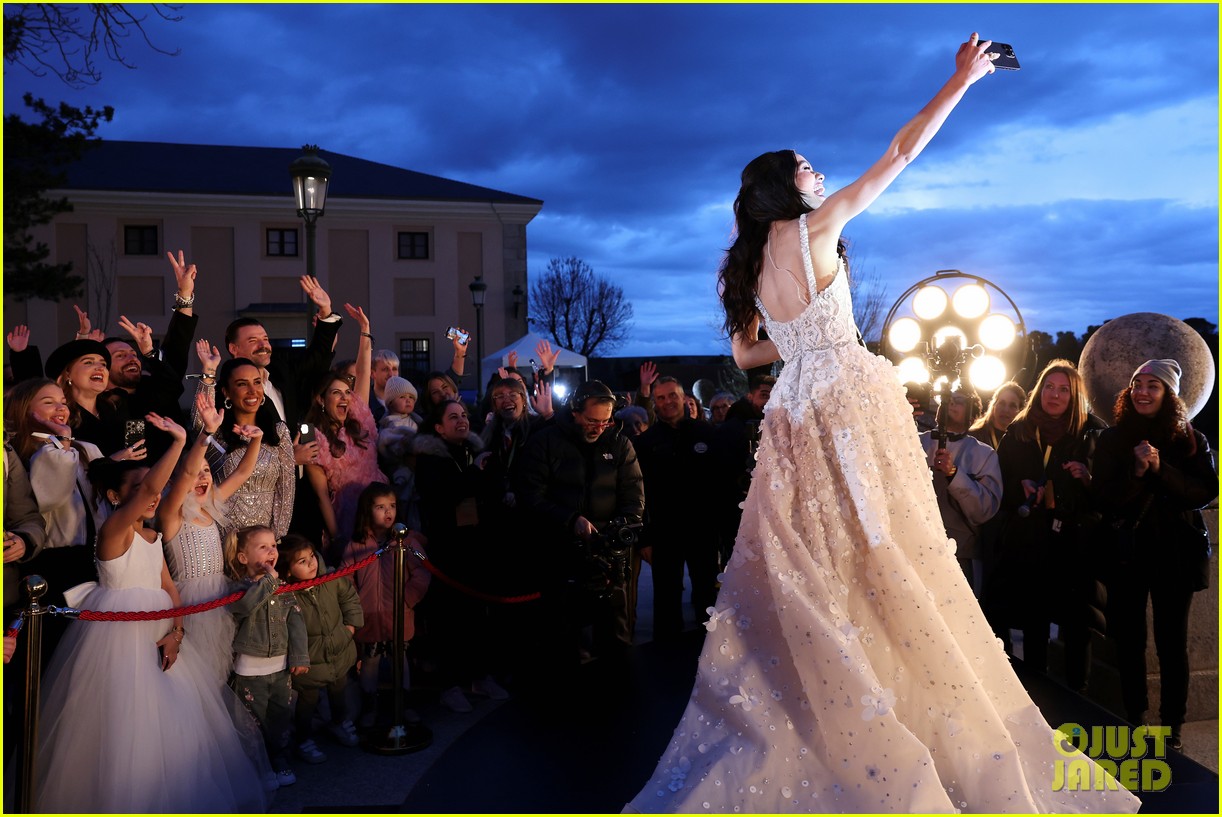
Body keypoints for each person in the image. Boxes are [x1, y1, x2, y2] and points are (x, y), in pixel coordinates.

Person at [627, 35, 1137, 813]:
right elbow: (899, 152)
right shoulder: (812, 230)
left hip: (796, 403)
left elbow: (745, 348)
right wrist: (961, 79)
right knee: (884, 547)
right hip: (845, 397)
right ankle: (896, 702)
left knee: (815, 561)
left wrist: (798, 341)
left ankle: (835, 696)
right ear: (784, 186)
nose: (816, 171)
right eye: (804, 165)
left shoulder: (745, 262)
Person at [35, 415, 266, 812]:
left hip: (159, 629)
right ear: (113, 496)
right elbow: (158, 489)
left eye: (149, 487)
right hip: (117, 636)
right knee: (126, 721)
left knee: (174, 721)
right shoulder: (113, 532)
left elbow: (170, 588)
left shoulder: (152, 534)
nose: (151, 495)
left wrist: (176, 632)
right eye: (139, 487)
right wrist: (183, 441)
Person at [1092, 360, 1217, 752]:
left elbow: (1204, 492)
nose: (1143, 391)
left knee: (1171, 643)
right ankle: (1135, 719)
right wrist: (1138, 470)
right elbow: (1106, 499)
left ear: (1170, 394)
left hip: (1175, 553)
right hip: (1128, 552)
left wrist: (1161, 468)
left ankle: (1172, 728)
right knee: (1129, 641)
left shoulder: (1190, 438)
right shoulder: (1112, 439)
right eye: (1137, 384)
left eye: (1154, 385)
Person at [991, 359, 1106, 693]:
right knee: (1032, 622)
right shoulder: (1020, 429)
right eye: (1049, 387)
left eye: (1063, 390)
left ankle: (1077, 704)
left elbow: (1108, 494)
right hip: (1029, 542)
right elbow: (1002, 481)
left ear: (1075, 397)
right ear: (1039, 390)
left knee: (1076, 627)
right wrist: (1019, 487)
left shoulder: (1092, 432)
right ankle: (1037, 700)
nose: (1054, 395)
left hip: (1074, 546)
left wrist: (1087, 479)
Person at [516, 380, 645, 668]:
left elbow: (634, 495)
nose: (598, 428)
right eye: (591, 420)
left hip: (609, 557)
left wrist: (621, 528)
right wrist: (570, 520)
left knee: (615, 638)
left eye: (605, 421)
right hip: (560, 554)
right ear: (574, 412)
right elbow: (530, 495)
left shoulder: (620, 444)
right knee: (564, 640)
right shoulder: (545, 442)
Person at [158, 389, 263, 684]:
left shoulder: (211, 505)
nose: (203, 477)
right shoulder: (172, 514)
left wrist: (256, 439)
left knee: (217, 670)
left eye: (207, 471)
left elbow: (242, 473)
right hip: (191, 601)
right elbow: (188, 472)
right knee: (193, 673)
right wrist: (206, 434)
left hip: (218, 596)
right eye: (197, 473)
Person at [633, 376, 720, 641]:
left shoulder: (708, 435)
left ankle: (713, 650)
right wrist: (645, 538)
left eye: (672, 395)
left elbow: (720, 484)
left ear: (683, 398)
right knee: (667, 597)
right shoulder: (645, 443)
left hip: (702, 530)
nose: (668, 402)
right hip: (664, 533)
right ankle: (666, 653)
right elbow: (639, 495)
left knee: (707, 594)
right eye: (661, 397)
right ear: (655, 403)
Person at [225, 524, 309, 788]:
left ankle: (279, 760)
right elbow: (244, 607)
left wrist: (300, 657)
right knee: (252, 723)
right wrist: (269, 582)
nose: (272, 551)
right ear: (243, 557)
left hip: (280, 667)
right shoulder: (238, 588)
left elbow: (296, 623)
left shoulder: (282, 588)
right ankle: (259, 766)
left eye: (273, 545)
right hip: (251, 671)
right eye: (263, 547)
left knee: (280, 718)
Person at [303, 304, 387, 565]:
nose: (344, 397)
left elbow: (363, 374)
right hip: (346, 517)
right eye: (336, 393)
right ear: (321, 399)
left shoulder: (360, 421)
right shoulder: (313, 436)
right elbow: (320, 494)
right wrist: (337, 537)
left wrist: (365, 330)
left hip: (380, 510)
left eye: (346, 392)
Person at [342, 483, 431, 727]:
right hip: (368, 617)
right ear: (367, 510)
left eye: (391, 506)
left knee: (399, 661)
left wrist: (407, 599)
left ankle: (404, 705)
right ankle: (370, 707)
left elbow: (422, 574)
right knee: (369, 663)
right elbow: (345, 579)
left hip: (398, 615)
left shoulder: (407, 541)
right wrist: (354, 606)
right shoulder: (356, 545)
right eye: (380, 507)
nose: (387, 512)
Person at [277, 533, 364, 763]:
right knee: (308, 702)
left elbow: (349, 597)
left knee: (339, 690)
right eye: (302, 561)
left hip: (339, 649)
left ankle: (338, 722)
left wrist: (350, 628)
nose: (311, 563)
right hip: (310, 661)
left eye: (312, 556)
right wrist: (297, 657)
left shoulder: (331, 578)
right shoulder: (286, 596)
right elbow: (284, 631)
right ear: (287, 570)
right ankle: (303, 739)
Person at [917, 386, 1002, 595]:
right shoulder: (914, 441)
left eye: (960, 401)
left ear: (973, 415)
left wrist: (954, 474)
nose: (951, 403)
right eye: (948, 398)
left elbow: (984, 509)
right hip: (915, 544)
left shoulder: (984, 455)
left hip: (959, 553)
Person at [205, 353, 297, 537]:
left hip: (265, 539)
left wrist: (276, 538)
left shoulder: (278, 431)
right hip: (224, 536)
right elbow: (200, 420)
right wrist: (208, 372)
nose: (252, 390)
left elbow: (286, 490)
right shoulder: (215, 432)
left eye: (257, 382)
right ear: (226, 392)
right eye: (242, 384)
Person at [969, 380, 1026, 450]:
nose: (1006, 410)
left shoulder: (1023, 441)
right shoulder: (973, 437)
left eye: (1012, 406)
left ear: (1020, 411)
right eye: (1002, 403)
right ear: (993, 405)